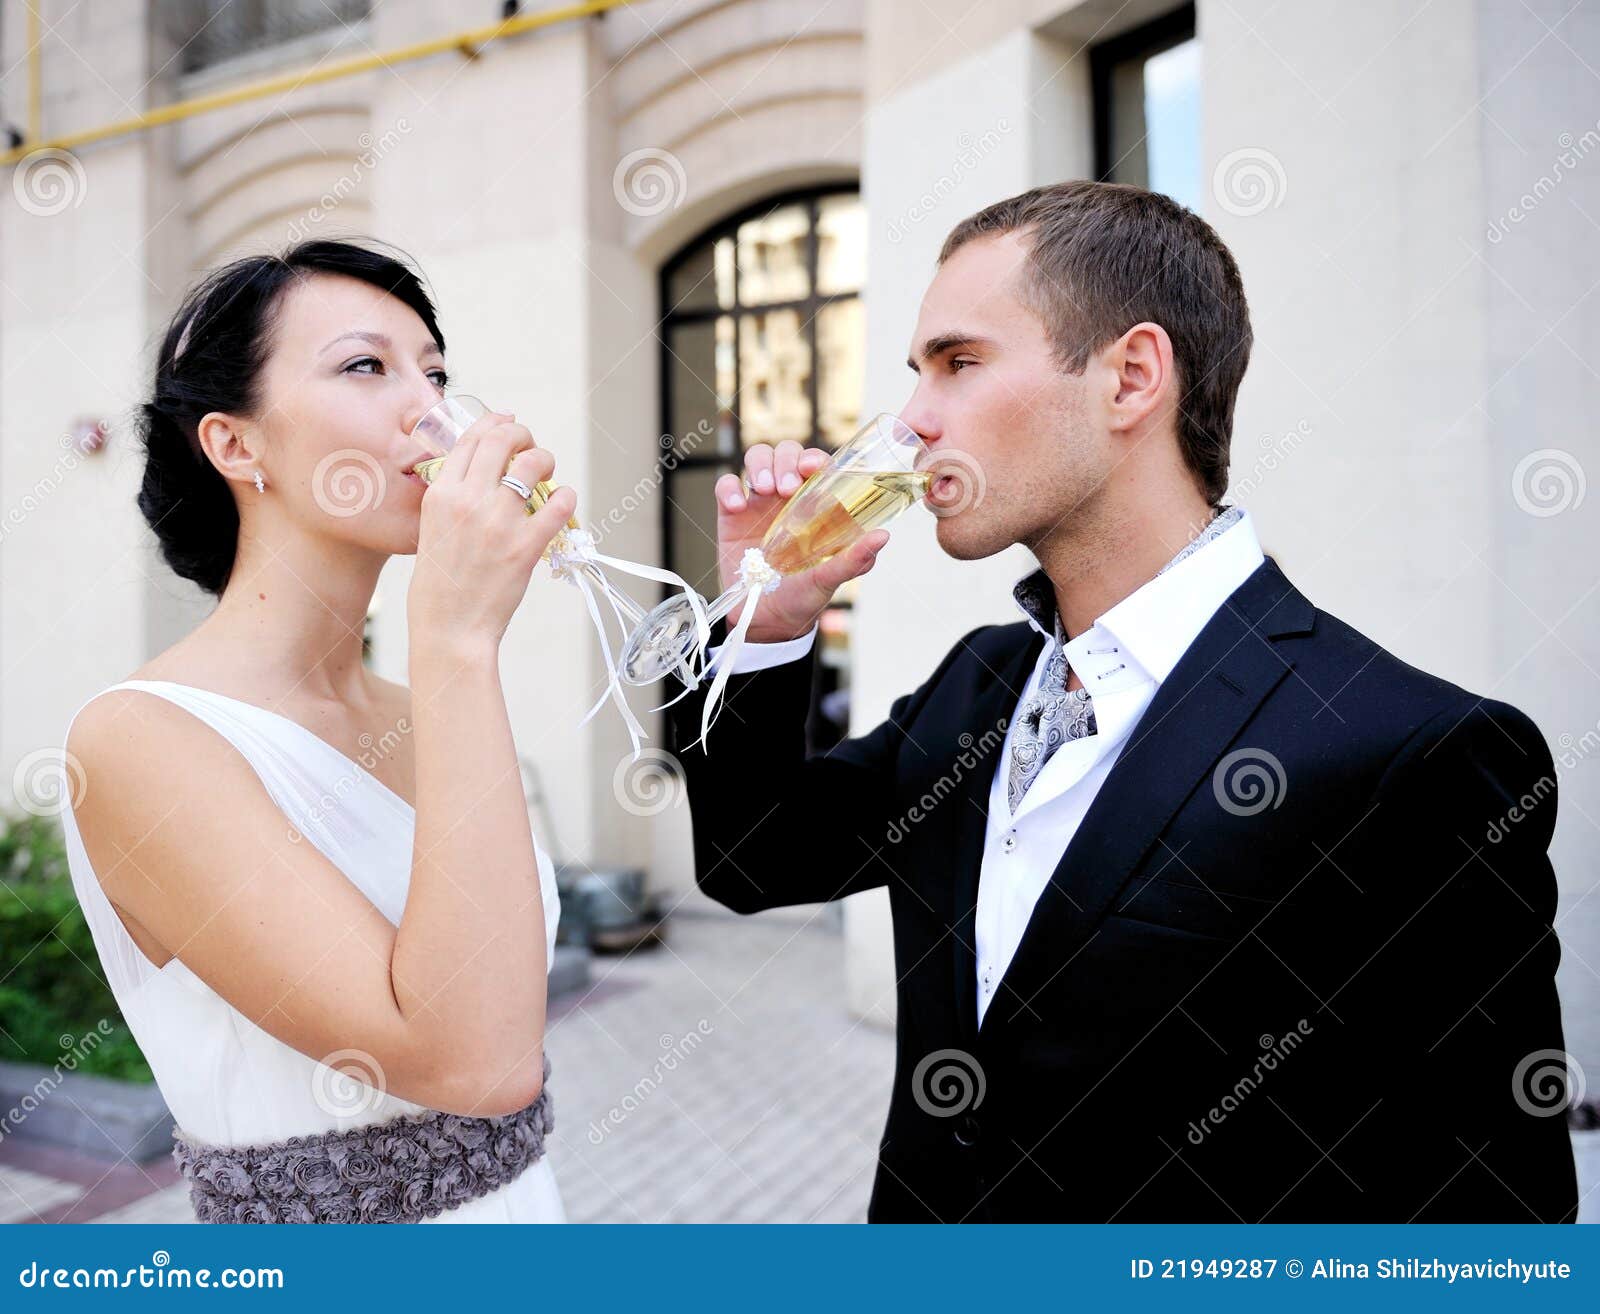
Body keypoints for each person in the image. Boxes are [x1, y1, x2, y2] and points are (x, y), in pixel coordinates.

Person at [680, 181, 1580, 1223]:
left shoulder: (1406, 751)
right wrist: (768, 622)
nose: (914, 422)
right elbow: (750, 862)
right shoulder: (975, 688)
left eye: (959, 364)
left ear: (1130, 379)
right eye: (916, 374)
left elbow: (1494, 1208)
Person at [61, 240, 575, 1223]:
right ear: (236, 446)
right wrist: (459, 640)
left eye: (437, 371)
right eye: (364, 366)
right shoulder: (137, 741)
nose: (431, 409)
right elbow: (474, 1062)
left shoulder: (421, 709)